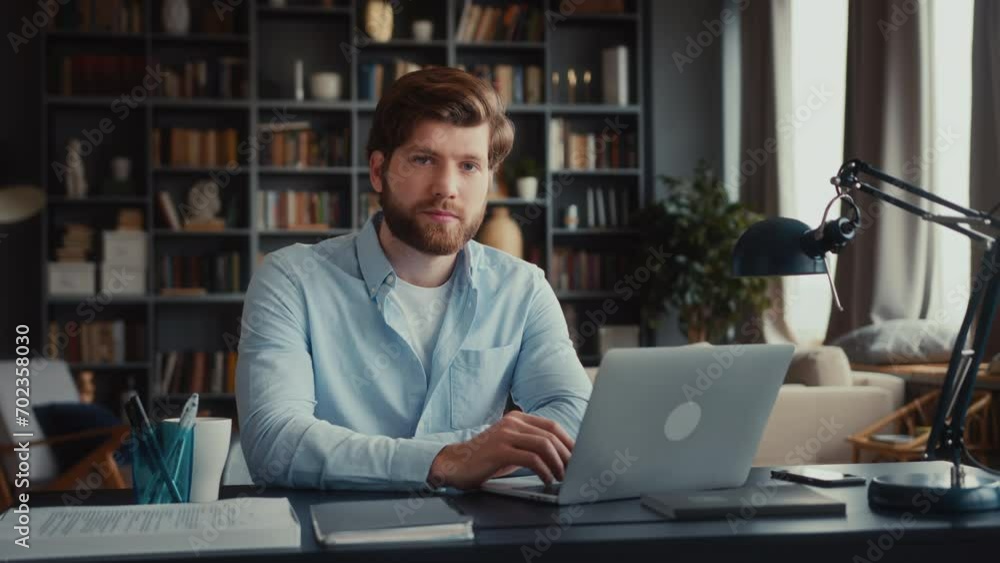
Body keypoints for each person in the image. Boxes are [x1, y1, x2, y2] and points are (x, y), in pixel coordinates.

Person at [236, 67, 592, 492]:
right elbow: (274, 443)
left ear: (489, 182)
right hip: (337, 539)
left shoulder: (523, 289)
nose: (447, 187)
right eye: (424, 159)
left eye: (469, 166)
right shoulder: (290, 280)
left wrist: (457, 458)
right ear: (378, 171)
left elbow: (575, 418)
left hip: (482, 539)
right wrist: (446, 460)